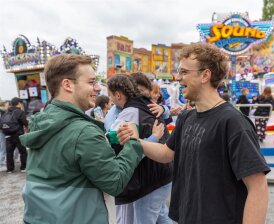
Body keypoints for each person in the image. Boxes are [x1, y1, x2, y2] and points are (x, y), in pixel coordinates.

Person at [118, 43, 270, 224]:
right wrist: (136, 141)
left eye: (184, 72)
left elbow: (258, 188)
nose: (178, 78)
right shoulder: (187, 116)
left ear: (205, 75)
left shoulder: (233, 122)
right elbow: (167, 153)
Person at [19, 54, 144, 224]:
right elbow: (115, 182)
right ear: (68, 85)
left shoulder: (40, 121)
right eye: (91, 82)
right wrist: (133, 143)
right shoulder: (84, 132)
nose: (98, 88)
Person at [107, 73, 172, 224]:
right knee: (161, 215)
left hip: (150, 178)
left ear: (118, 95)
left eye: (110, 95)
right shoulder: (145, 105)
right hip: (161, 174)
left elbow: (116, 143)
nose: (109, 100)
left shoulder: (129, 112)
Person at [1, 97, 28, 173]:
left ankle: (10, 169)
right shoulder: (20, 112)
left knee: (9, 153)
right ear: (19, 103)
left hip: (8, 135)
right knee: (22, 151)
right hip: (18, 134)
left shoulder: (6, 112)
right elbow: (25, 123)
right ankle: (24, 167)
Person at [0, 99, 8, 171]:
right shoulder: (2, 112)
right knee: (3, 148)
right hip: (1, 131)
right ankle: (1, 164)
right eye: (6, 105)